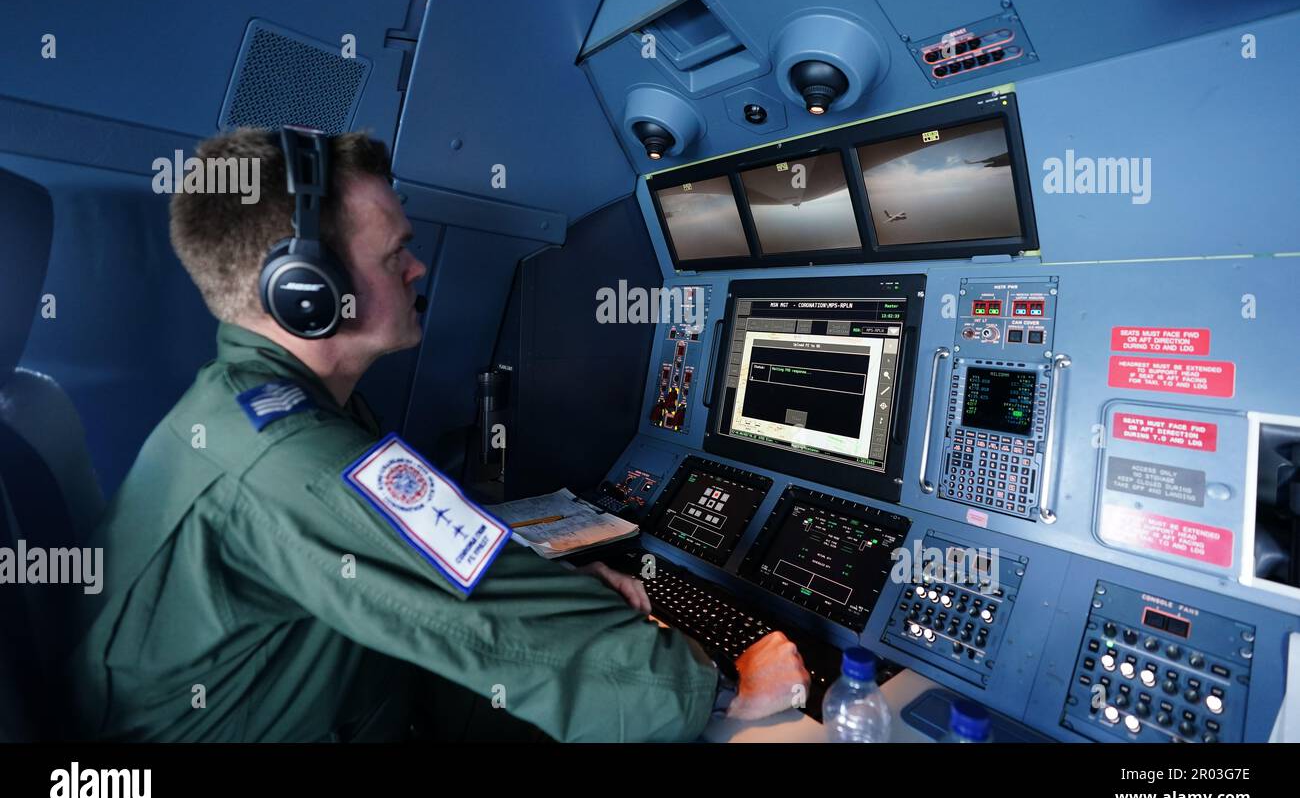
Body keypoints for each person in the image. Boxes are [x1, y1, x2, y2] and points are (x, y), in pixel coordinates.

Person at [69, 128, 809, 742]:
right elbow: (478, 613)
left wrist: (563, 583)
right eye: (396, 252)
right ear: (307, 292)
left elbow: (428, 554)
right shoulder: (283, 455)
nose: (418, 267)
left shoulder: (270, 405)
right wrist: (726, 691)